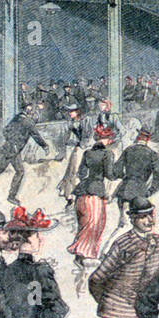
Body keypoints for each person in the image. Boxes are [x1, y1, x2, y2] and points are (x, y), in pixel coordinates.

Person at [68, 125, 116, 292]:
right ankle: (85, 268)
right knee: (94, 228)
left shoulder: (87, 153)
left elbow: (81, 174)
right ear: (108, 140)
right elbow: (110, 175)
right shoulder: (108, 154)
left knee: (84, 227)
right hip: (95, 195)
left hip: (81, 195)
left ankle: (79, 261)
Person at [0, 103, 49, 203]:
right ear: (29, 112)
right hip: (13, 150)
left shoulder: (17, 118)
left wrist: (12, 141)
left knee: (0, 169)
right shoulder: (28, 123)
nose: (32, 114)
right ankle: (11, 196)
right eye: (32, 111)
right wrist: (45, 146)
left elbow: (5, 131)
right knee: (18, 171)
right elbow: (36, 136)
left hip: (10, 148)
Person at [113, 127, 159, 228]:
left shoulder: (128, 150)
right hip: (140, 191)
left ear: (137, 137)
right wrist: (151, 191)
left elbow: (116, 170)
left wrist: (124, 177)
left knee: (123, 224)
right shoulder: (153, 155)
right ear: (148, 139)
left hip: (125, 190)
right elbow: (158, 176)